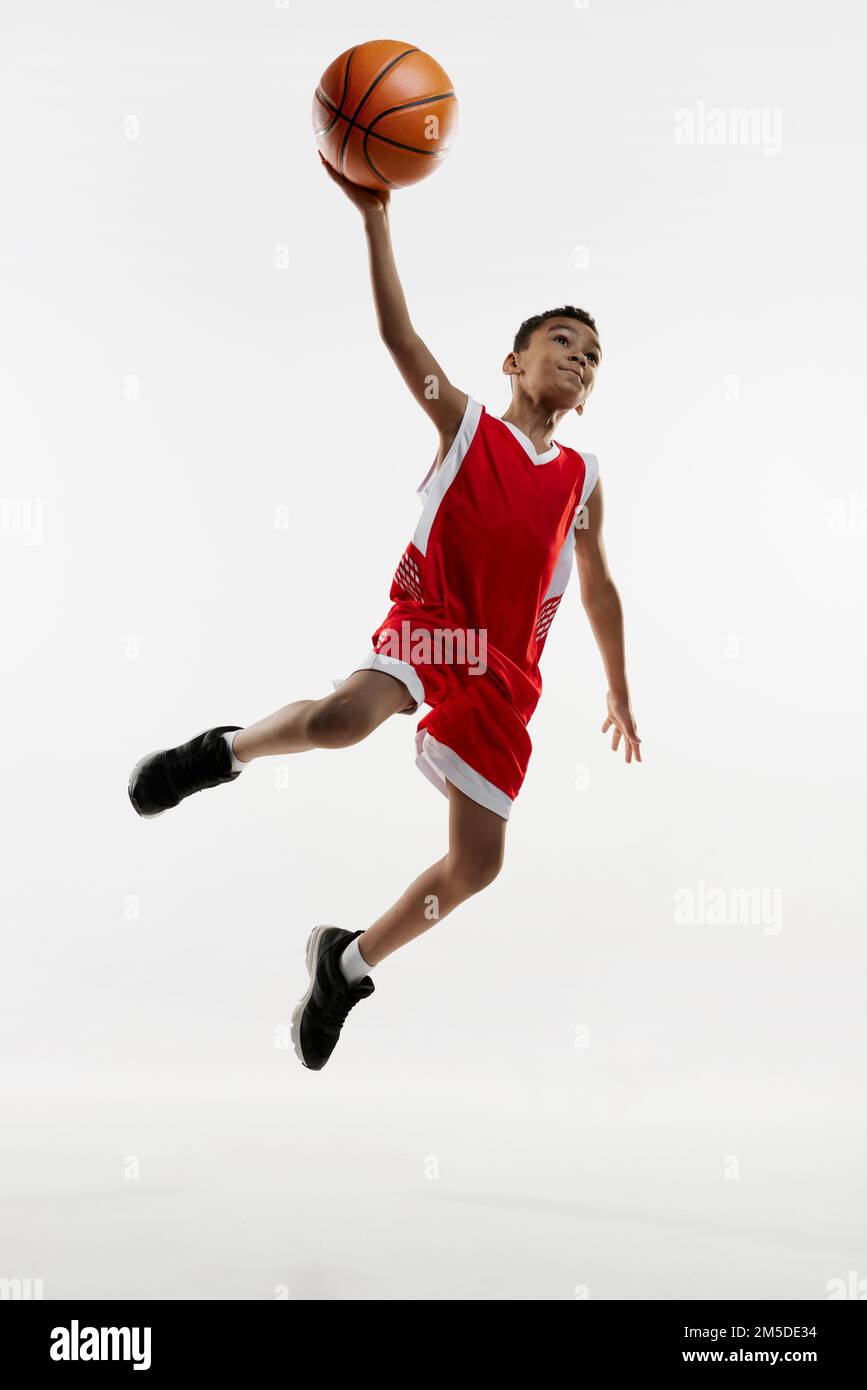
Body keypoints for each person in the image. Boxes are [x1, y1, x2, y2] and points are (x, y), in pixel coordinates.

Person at [128, 150, 641, 1071]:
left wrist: (618, 689)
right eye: (562, 340)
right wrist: (375, 219)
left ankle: (345, 965)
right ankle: (224, 751)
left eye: (592, 355)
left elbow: (597, 585)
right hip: (433, 625)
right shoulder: (467, 426)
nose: (579, 357)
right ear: (514, 362)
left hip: (502, 673)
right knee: (339, 722)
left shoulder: (582, 476)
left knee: (477, 866)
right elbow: (399, 338)